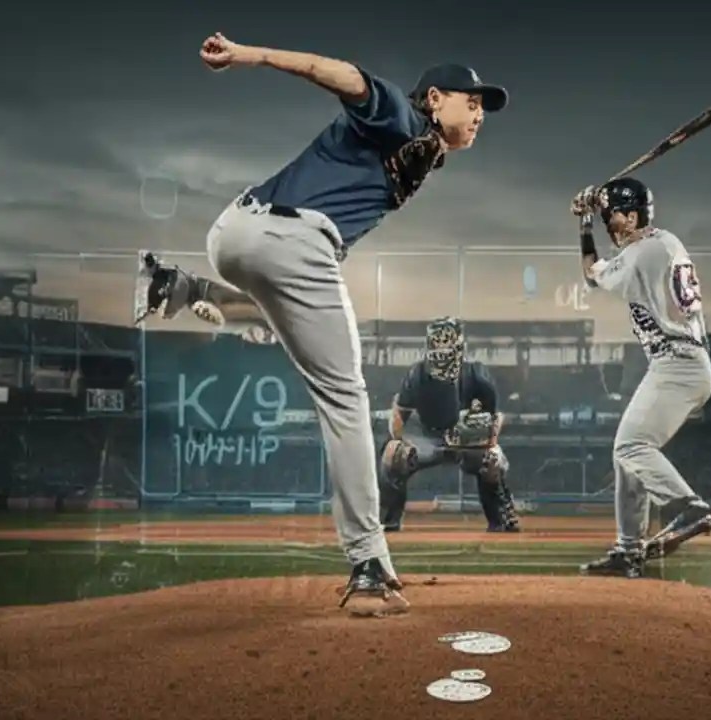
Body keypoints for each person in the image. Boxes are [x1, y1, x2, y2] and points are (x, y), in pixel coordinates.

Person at [136, 33, 509, 616]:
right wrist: (247, 54)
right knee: (345, 395)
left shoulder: (424, 149)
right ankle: (366, 564)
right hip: (296, 239)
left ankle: (184, 288)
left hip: (237, 233)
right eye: (473, 100)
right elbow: (333, 72)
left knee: (278, 322)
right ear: (435, 97)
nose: (481, 111)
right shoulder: (405, 116)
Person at [569, 177, 711, 579]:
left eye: (613, 217)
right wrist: (588, 220)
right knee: (627, 457)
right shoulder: (663, 242)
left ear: (633, 215)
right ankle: (628, 550)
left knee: (631, 447)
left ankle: (688, 508)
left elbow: (590, 275)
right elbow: (598, 271)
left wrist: (585, 218)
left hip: (679, 363)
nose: (610, 225)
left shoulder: (641, 254)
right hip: (679, 362)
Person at [378, 317, 520, 533]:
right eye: (437, 344)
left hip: (467, 443)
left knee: (494, 458)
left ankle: (499, 516)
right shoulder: (417, 374)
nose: (442, 352)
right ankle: (388, 520)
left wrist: (478, 436)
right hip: (428, 439)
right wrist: (399, 442)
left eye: (447, 344)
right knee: (392, 453)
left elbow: (495, 419)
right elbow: (398, 417)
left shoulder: (477, 375)